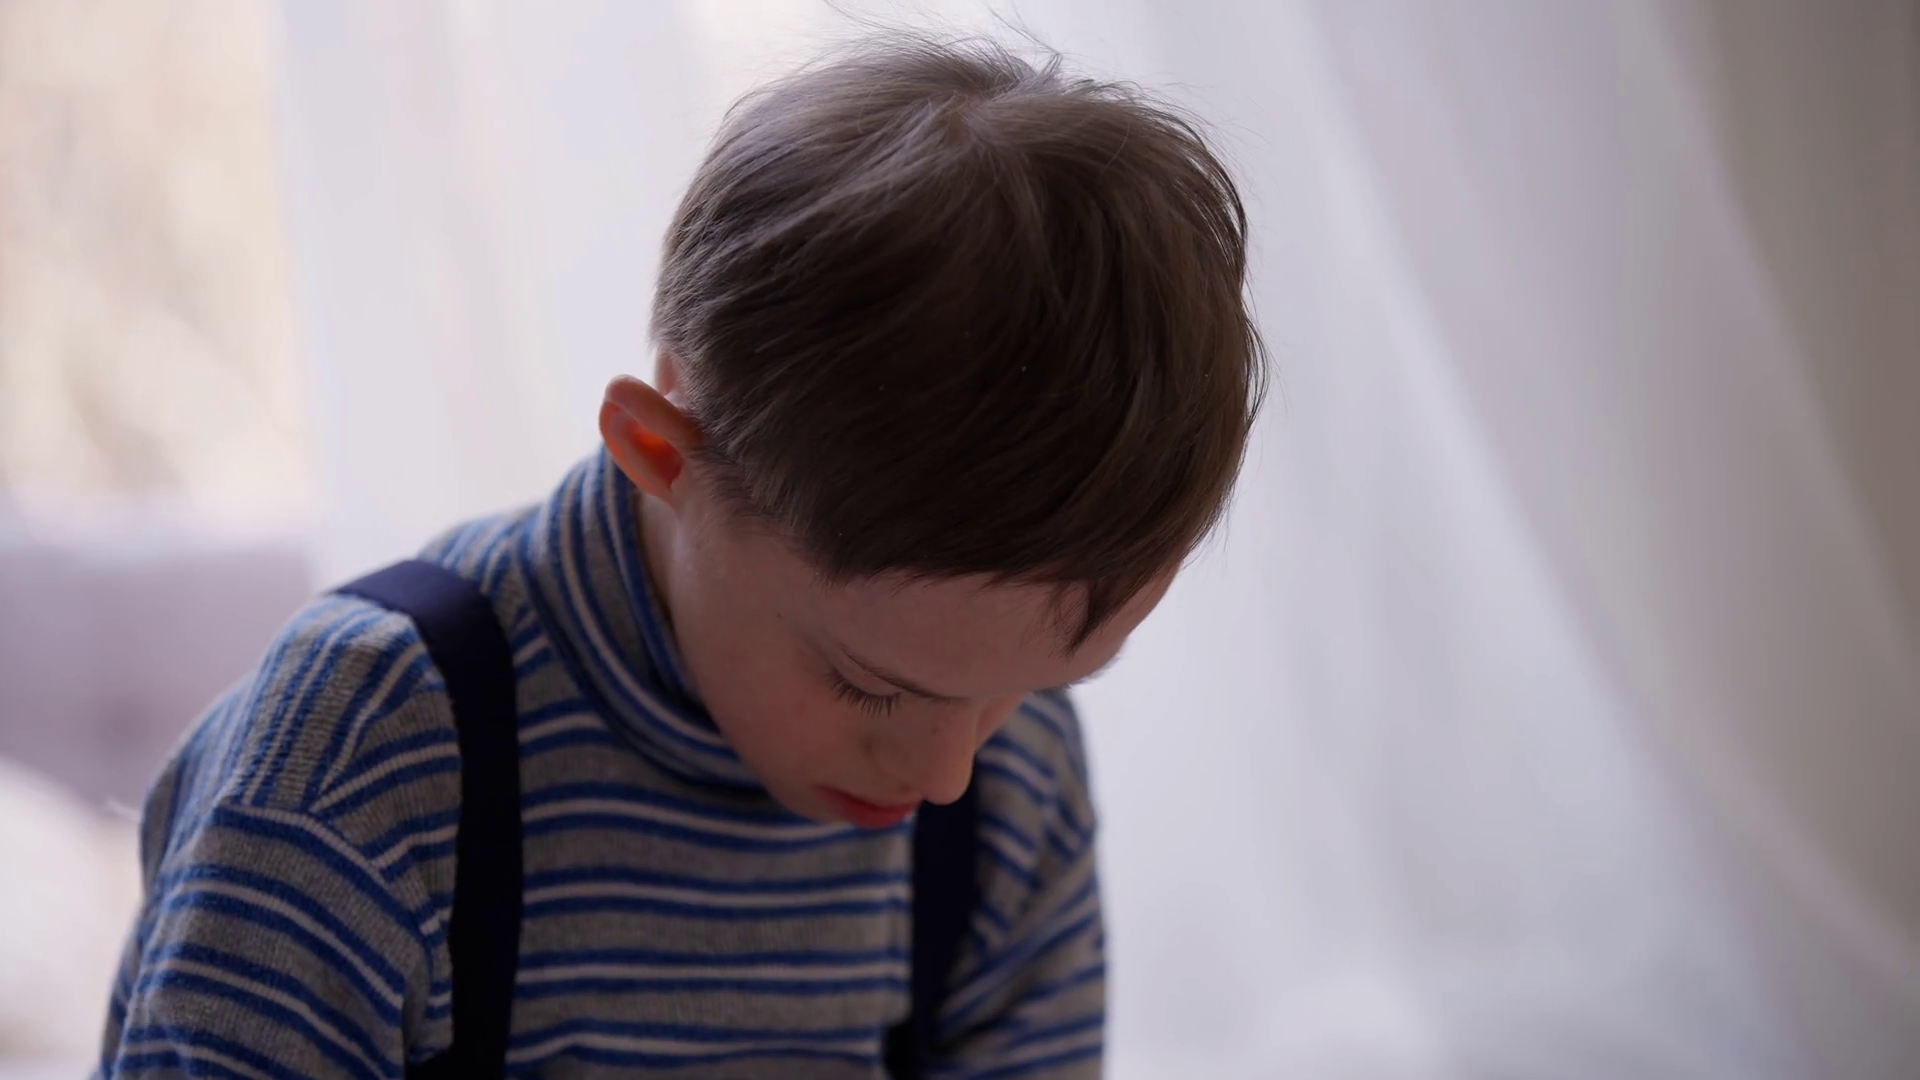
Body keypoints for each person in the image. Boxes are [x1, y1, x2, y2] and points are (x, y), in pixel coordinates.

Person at [98, 33, 1262, 1079]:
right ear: (663, 451)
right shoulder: (367, 762)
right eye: (871, 685)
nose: (948, 771)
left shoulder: (1013, 785)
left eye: (1027, 688)